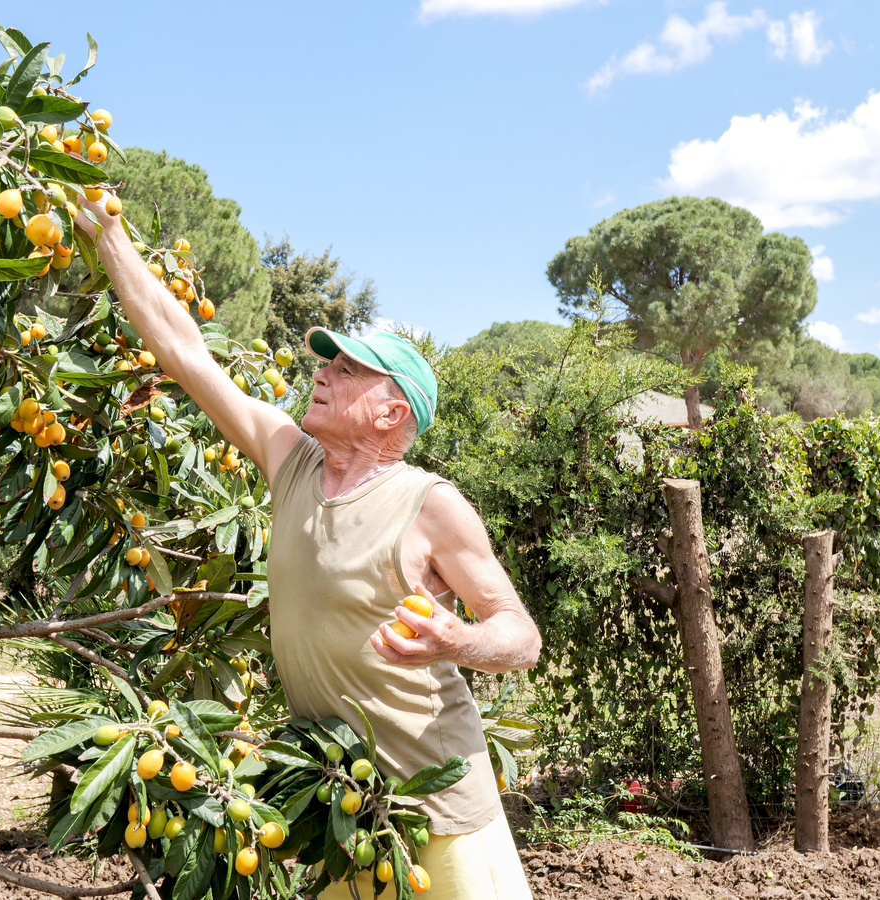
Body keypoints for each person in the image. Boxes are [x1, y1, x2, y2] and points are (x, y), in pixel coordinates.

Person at [76, 196, 541, 899]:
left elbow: (520, 635)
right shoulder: (288, 458)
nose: (321, 373)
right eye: (327, 365)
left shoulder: (430, 504)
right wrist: (109, 236)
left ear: (393, 411)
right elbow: (183, 352)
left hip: (437, 802)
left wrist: (457, 640)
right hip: (340, 805)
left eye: (348, 371)